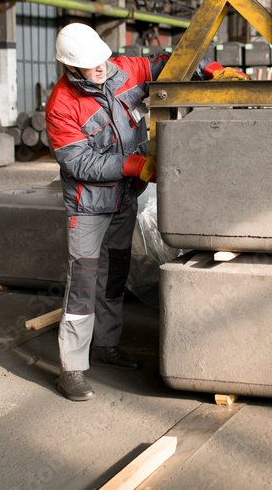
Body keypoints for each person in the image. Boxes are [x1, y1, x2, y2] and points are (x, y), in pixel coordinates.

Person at [45, 22, 248, 401]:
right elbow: (79, 163)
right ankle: (72, 369)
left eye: (102, 59)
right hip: (88, 206)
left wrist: (211, 69)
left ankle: (106, 347)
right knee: (83, 283)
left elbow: (170, 62)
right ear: (71, 69)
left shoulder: (124, 68)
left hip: (123, 199)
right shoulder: (61, 105)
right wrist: (134, 167)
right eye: (91, 65)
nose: (101, 68)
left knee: (115, 273)